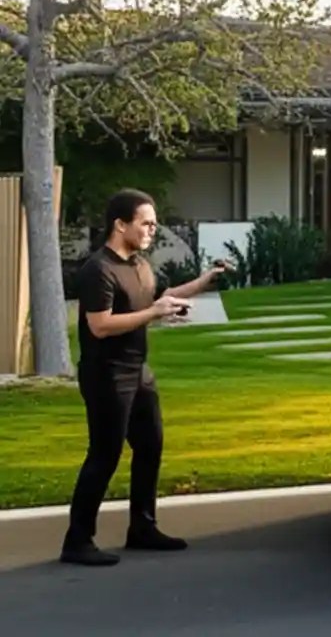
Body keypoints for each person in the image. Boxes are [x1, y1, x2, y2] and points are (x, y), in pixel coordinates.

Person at [61, 189, 225, 567]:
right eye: (145, 223)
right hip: (106, 375)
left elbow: (157, 298)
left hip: (138, 372)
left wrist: (203, 281)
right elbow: (100, 326)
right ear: (120, 224)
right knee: (104, 455)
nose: (153, 229)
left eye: (154, 223)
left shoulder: (139, 264)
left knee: (150, 445)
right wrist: (154, 314)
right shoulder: (98, 269)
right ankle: (77, 540)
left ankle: (142, 528)